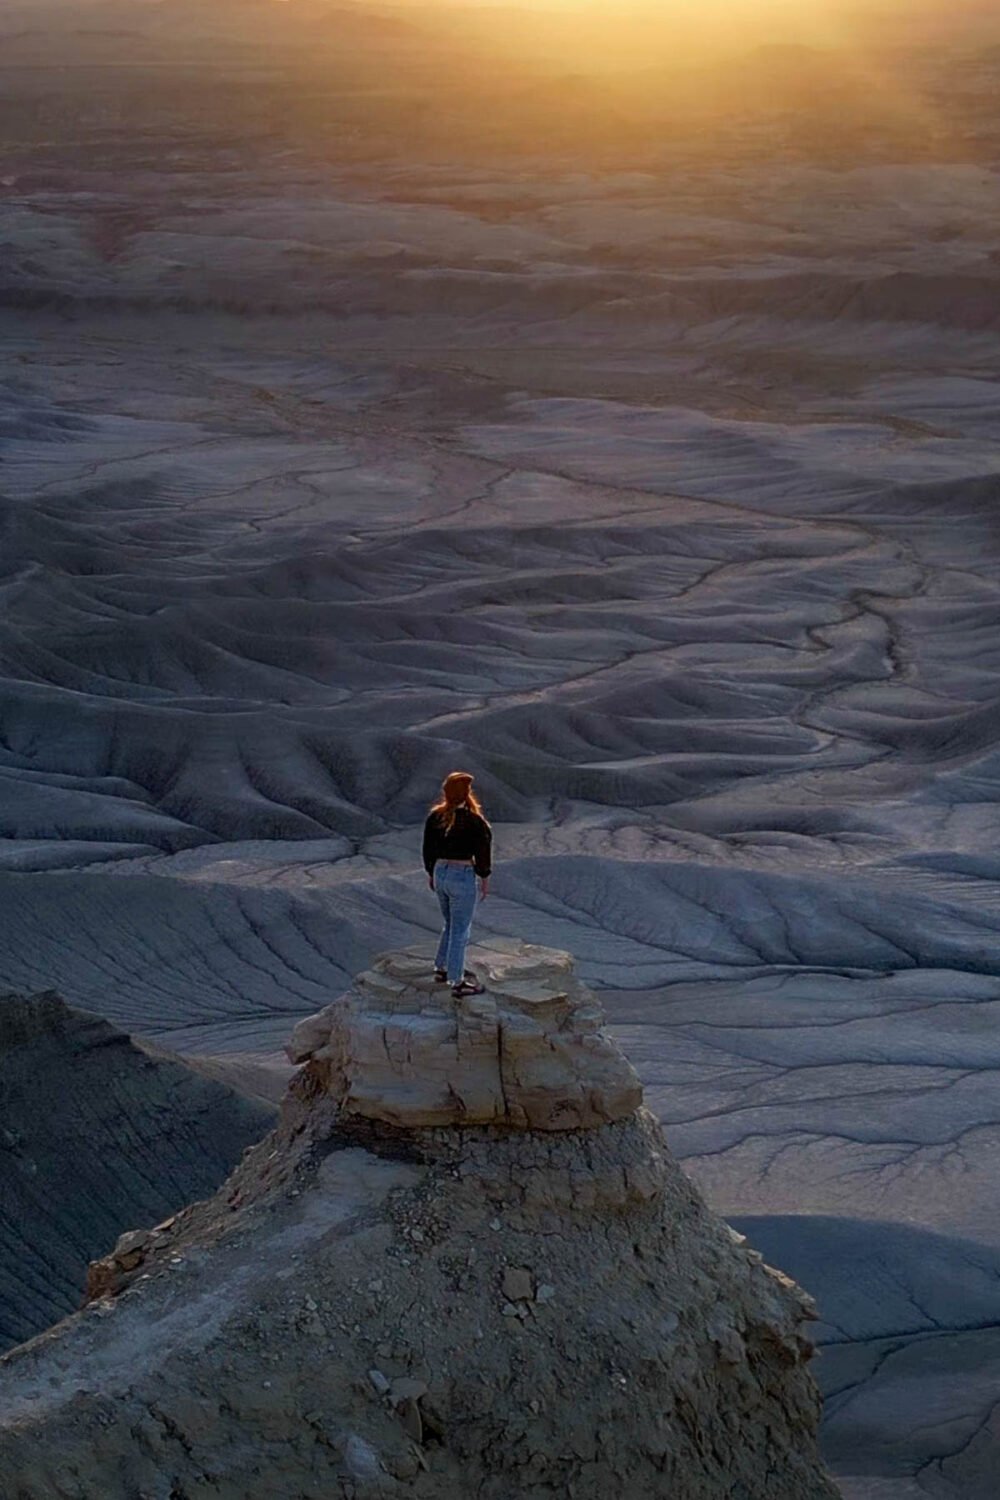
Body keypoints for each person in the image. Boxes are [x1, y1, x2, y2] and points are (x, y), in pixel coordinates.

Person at [423, 771, 492, 997]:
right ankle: (456, 981)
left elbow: (428, 849)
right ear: (466, 793)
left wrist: (432, 873)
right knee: (461, 930)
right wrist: (484, 878)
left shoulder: (435, 817)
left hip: (440, 871)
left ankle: (442, 966)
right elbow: (483, 852)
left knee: (450, 923)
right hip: (461, 874)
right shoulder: (475, 822)